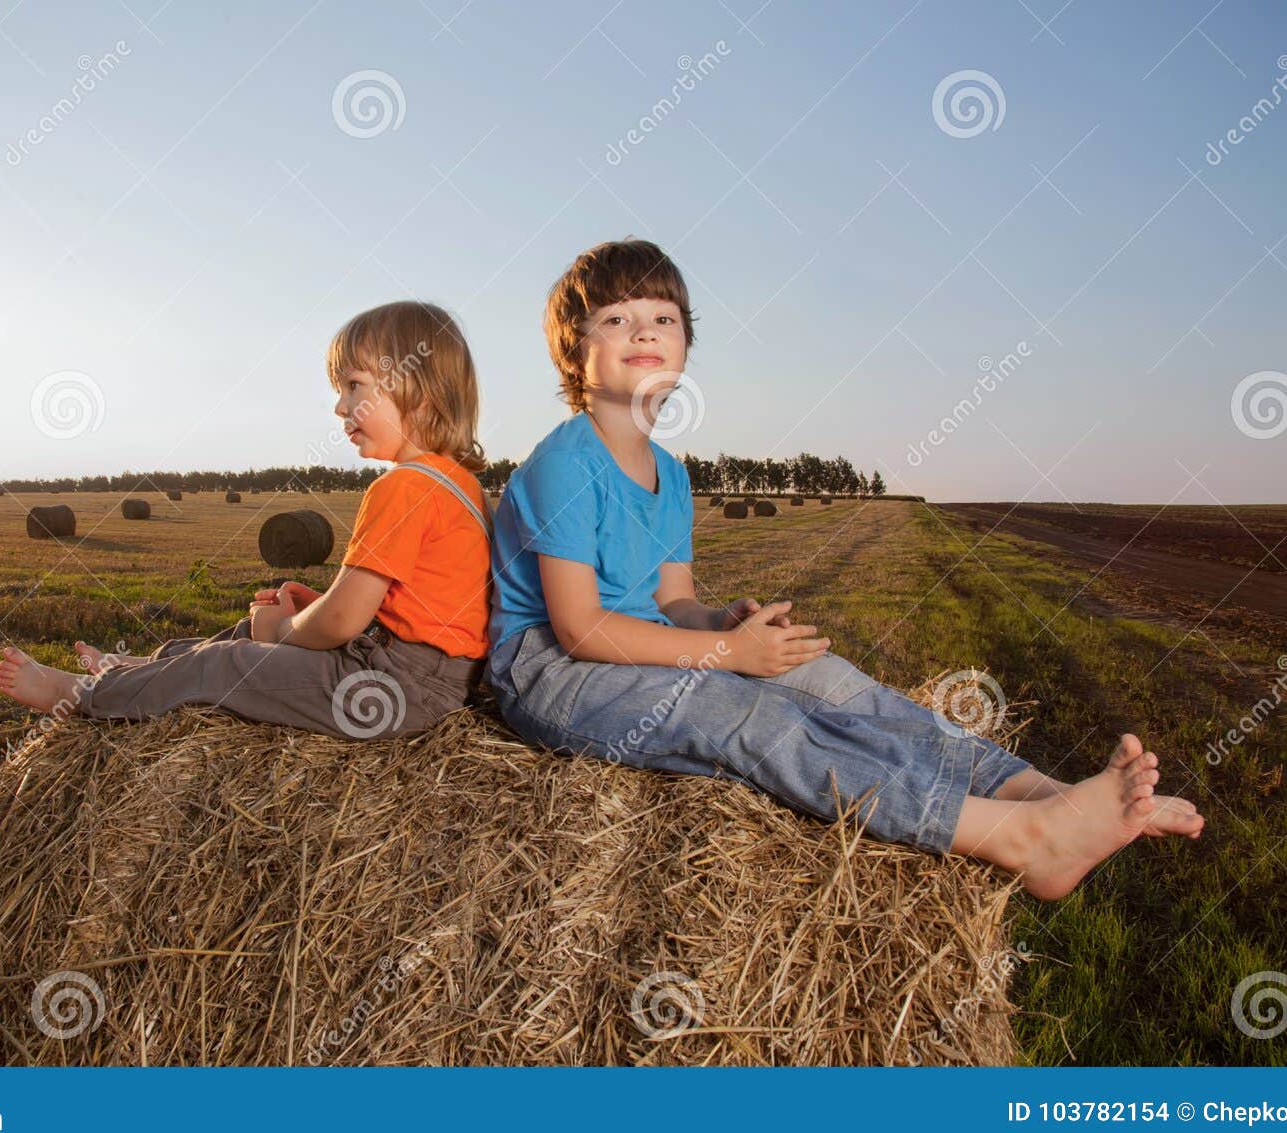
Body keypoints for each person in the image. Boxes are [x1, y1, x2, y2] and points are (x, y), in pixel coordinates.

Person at [485, 239, 1203, 900]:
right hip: (549, 669)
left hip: (640, 642)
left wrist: (725, 624)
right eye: (616, 318)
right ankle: (1020, 839)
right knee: (741, 712)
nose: (644, 331)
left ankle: (1035, 790)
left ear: (686, 344)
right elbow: (579, 629)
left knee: (833, 682)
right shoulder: (565, 463)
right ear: (572, 354)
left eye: (663, 317)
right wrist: (729, 658)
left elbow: (672, 600)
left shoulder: (671, 476)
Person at [0, 301, 492, 740]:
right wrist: (308, 608)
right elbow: (409, 607)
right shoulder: (460, 486)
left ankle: (80, 695)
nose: (339, 406)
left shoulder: (402, 487)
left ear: (419, 393)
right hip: (421, 677)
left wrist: (282, 631)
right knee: (241, 633)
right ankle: (146, 669)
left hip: (395, 690)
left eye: (354, 387)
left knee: (226, 662)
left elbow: (342, 622)